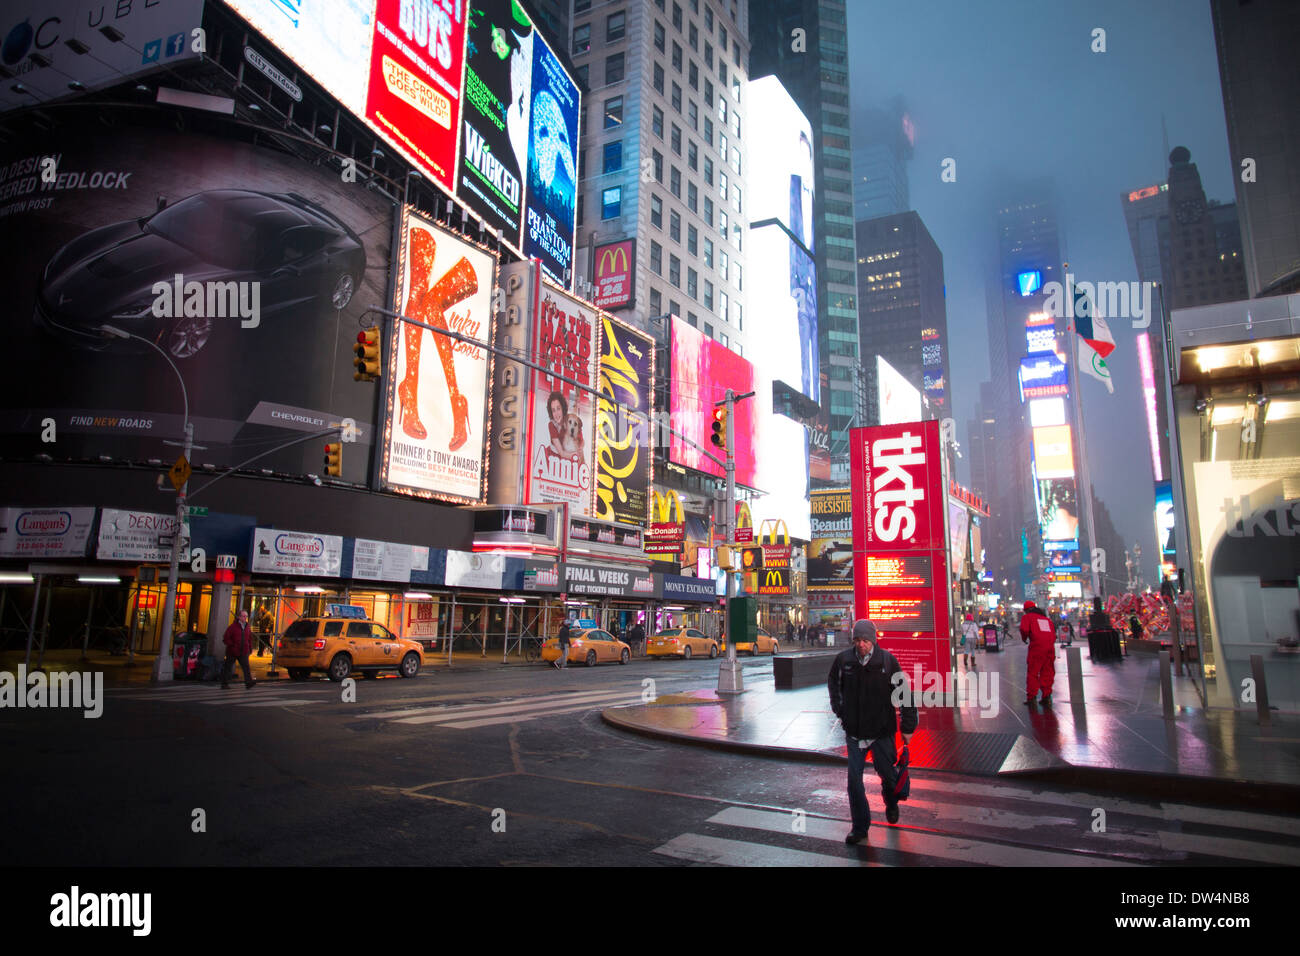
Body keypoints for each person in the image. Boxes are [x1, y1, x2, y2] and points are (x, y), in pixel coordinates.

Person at [828, 620, 916, 843]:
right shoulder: (844, 660)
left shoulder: (887, 661)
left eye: (865, 640)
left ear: (873, 640)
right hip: (855, 731)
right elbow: (834, 685)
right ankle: (859, 828)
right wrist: (840, 711)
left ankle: (891, 801)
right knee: (854, 782)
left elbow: (904, 693)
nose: (861, 645)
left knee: (888, 775)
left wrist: (908, 726)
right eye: (858, 640)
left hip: (881, 731)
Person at [1019, 600, 1056, 705]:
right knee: (1047, 671)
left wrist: (1024, 638)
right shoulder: (1046, 619)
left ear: (1026, 610)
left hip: (1037, 647)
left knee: (1033, 672)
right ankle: (1047, 697)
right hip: (1050, 647)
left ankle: (1032, 698)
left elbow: (1024, 630)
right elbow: (1053, 633)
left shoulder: (1027, 617)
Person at [222, 609, 257, 690]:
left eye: (246, 616)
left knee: (246, 667)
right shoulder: (233, 627)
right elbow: (226, 638)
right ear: (239, 617)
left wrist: (249, 648)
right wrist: (232, 645)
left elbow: (249, 638)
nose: (245, 618)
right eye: (243, 616)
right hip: (233, 651)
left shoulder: (247, 627)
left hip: (243, 650)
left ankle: (248, 682)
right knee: (228, 667)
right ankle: (224, 683)